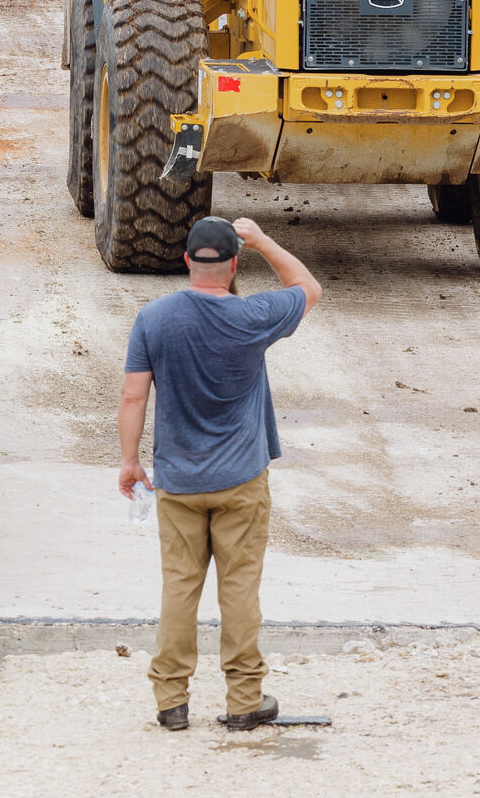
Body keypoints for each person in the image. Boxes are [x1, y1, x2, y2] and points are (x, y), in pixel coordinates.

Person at [118, 216, 321, 733]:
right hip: (241, 481)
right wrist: (263, 240)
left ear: (186, 260)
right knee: (240, 588)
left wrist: (129, 461)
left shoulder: (154, 317)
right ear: (233, 264)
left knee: (179, 589)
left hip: (179, 482)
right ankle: (243, 702)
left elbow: (133, 396)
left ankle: (170, 702)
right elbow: (307, 287)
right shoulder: (255, 314)